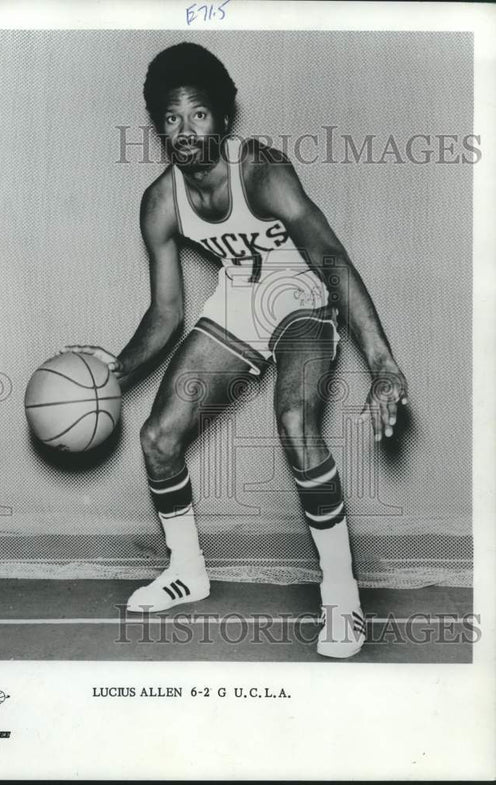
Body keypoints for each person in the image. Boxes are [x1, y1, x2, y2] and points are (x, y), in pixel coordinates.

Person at [62, 42, 408, 658]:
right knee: (158, 437)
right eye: (171, 117)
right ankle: (187, 570)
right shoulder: (161, 202)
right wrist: (113, 369)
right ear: (159, 126)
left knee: (296, 418)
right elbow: (166, 314)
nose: (185, 130)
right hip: (239, 301)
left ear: (222, 118)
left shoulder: (264, 172)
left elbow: (332, 259)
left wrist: (382, 364)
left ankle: (341, 597)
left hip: (300, 293)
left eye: (198, 114)